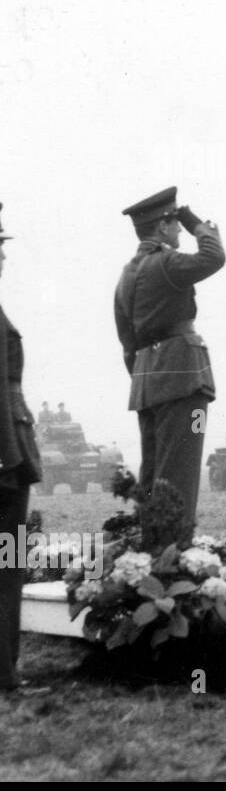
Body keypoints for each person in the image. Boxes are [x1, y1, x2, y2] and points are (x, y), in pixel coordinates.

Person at [114, 187, 225, 550]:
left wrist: (150, 375)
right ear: (161, 228)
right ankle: (174, 560)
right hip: (184, 381)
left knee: (153, 476)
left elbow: (127, 342)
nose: (179, 231)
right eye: (175, 224)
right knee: (182, 473)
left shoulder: (127, 276)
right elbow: (214, 256)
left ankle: (154, 556)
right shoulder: (167, 264)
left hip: (148, 384)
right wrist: (197, 222)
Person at [0, 204, 43, 693]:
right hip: (5, 459)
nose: (3, 258)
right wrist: (8, 458)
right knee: (7, 565)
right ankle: (5, 673)